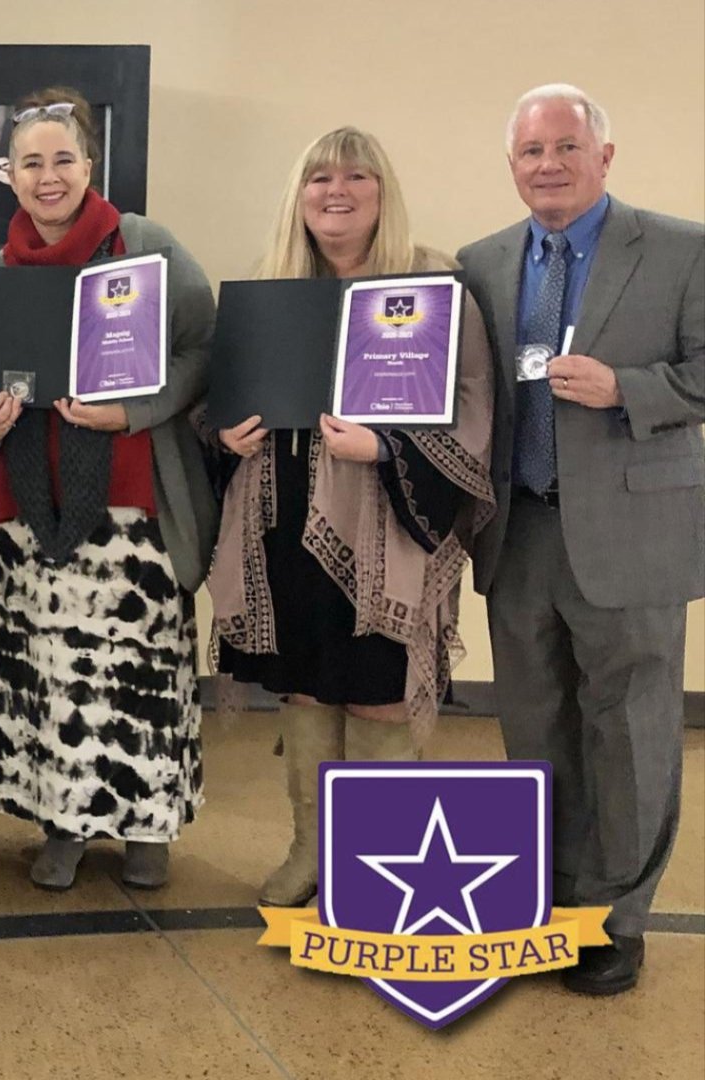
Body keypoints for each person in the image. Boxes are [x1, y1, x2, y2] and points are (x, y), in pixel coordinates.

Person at [459, 84, 704, 996]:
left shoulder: (682, 248)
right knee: (535, 728)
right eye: (530, 152)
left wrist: (628, 390)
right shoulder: (480, 262)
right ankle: (549, 901)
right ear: (512, 166)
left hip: (634, 532)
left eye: (566, 147)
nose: (548, 164)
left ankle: (614, 921)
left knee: (632, 733)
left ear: (606, 156)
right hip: (518, 531)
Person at [210, 128, 495, 908]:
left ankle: (380, 869)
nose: (336, 191)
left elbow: (471, 410)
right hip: (284, 525)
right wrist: (226, 434)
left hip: (386, 530)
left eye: (356, 176)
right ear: (298, 197)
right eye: (318, 178)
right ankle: (310, 850)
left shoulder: (435, 288)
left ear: (383, 191)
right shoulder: (270, 289)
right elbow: (220, 403)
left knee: (379, 693)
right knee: (306, 689)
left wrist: (384, 446)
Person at [0, 87, 216, 892]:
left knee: (136, 678)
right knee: (49, 679)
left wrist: (131, 411)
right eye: (30, 163)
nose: (48, 176)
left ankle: (146, 830)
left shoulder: (146, 246)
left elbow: (201, 346)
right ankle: (62, 825)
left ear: (90, 166)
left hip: (134, 512)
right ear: (11, 175)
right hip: (30, 518)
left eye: (62, 159)